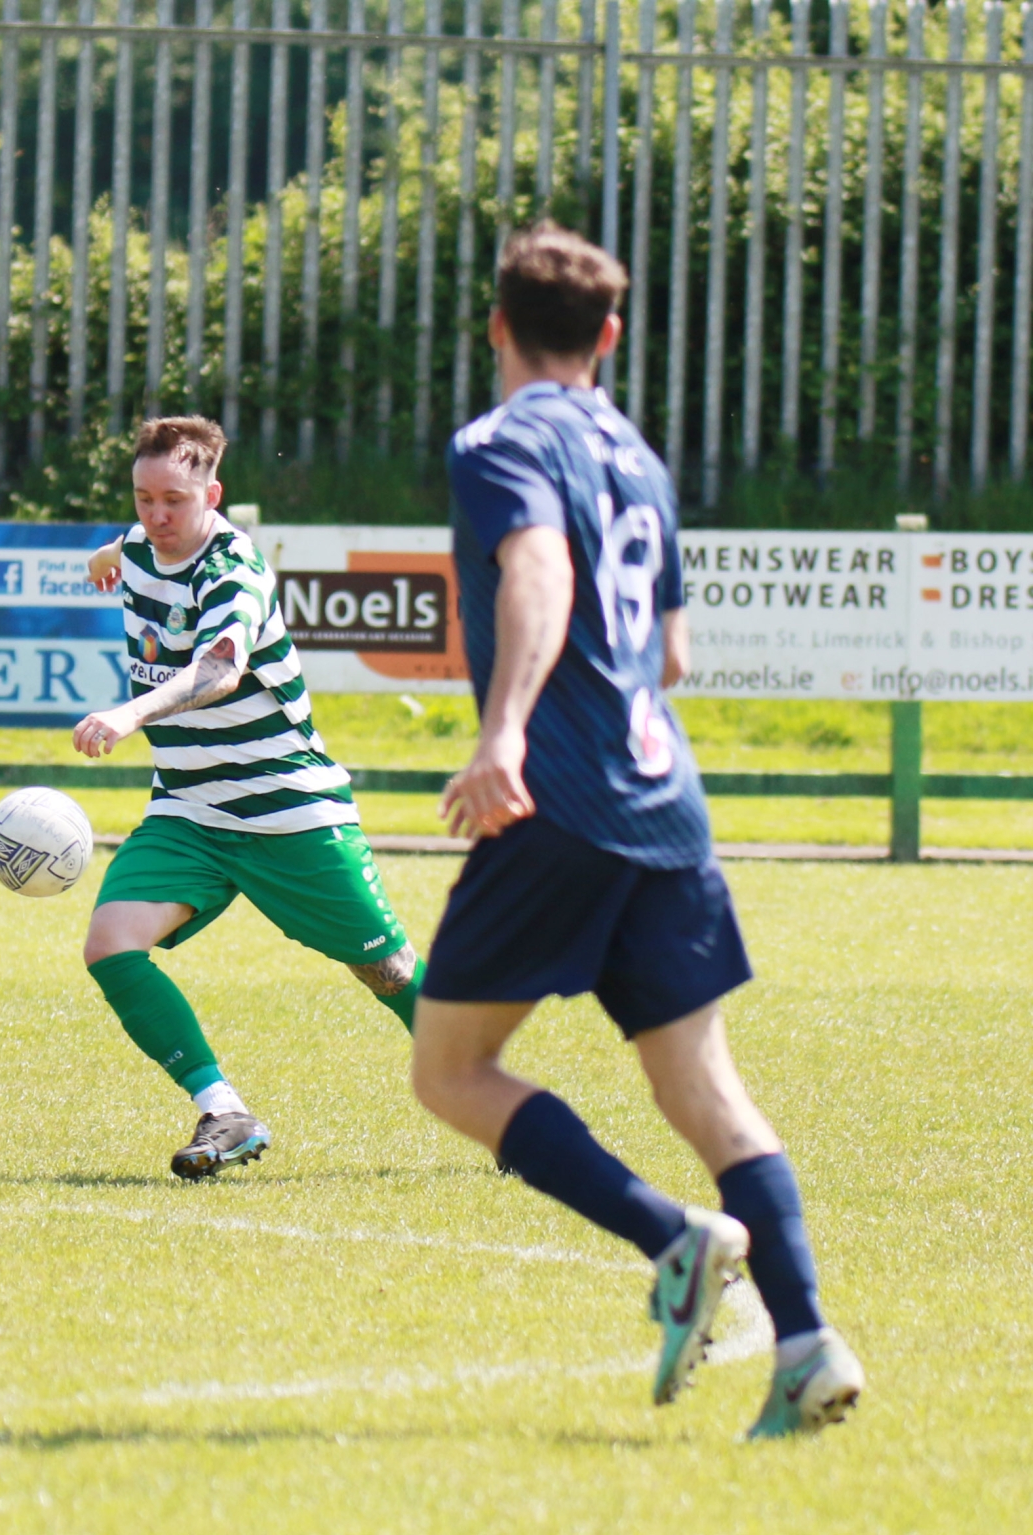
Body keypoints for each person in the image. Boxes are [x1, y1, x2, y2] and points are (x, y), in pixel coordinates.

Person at [409, 223, 862, 1439]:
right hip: (667, 802)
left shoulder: (499, 441)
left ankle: (677, 1238)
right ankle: (809, 1340)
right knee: (703, 1086)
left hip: (559, 797)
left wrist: (506, 730)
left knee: (448, 1069)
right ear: (609, 335)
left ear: (496, 325)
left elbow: (541, 572)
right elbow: (669, 652)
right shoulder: (641, 457)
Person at [77, 416, 427, 1180]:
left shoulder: (233, 568)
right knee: (110, 946)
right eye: (142, 499)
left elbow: (219, 673)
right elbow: (124, 548)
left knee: (390, 971)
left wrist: (129, 713)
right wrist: (107, 554)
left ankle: (510, 1108)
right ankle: (225, 1109)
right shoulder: (140, 543)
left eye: (175, 499)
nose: (157, 516)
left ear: (214, 494)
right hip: (189, 810)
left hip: (286, 810)